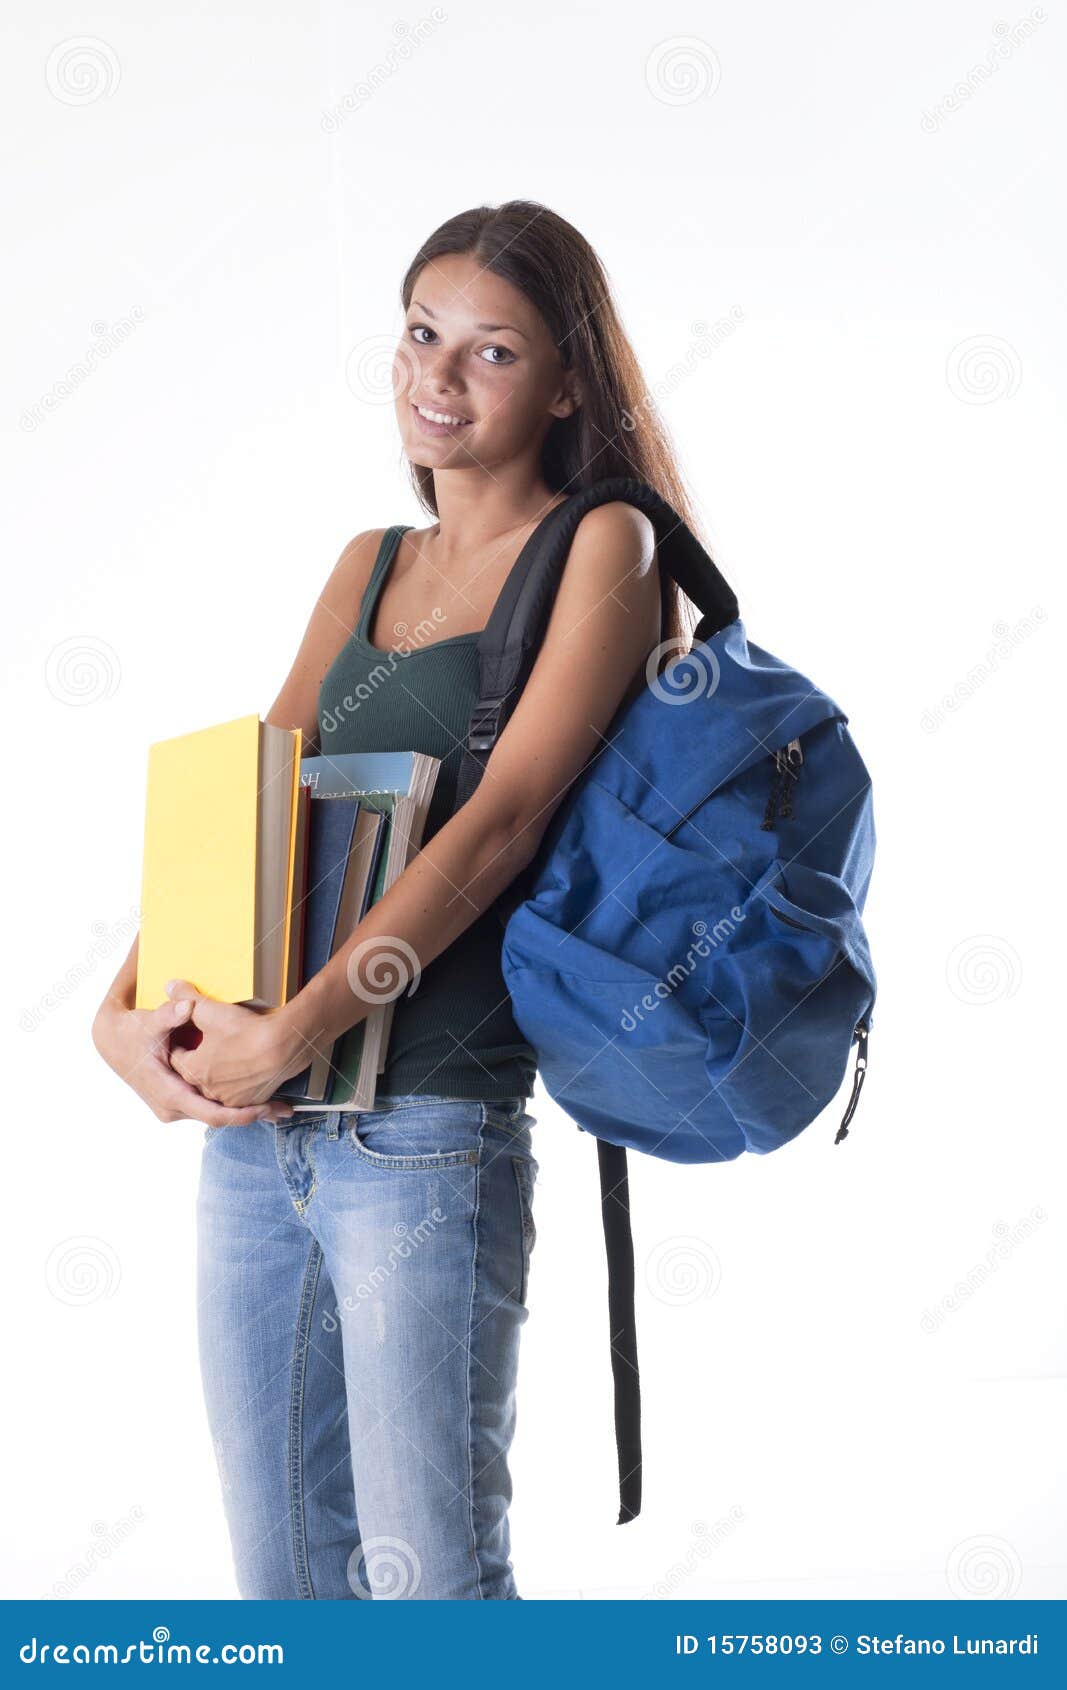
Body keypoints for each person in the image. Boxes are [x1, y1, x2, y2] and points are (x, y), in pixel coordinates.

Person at [92, 198, 706, 1599]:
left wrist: (302, 1022)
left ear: (566, 386)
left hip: (427, 1131)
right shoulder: (369, 563)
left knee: (436, 1592)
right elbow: (250, 795)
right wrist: (125, 1007)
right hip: (261, 1139)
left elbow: (502, 822)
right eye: (423, 334)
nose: (438, 377)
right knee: (289, 1585)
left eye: (492, 351)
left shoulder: (602, 546)